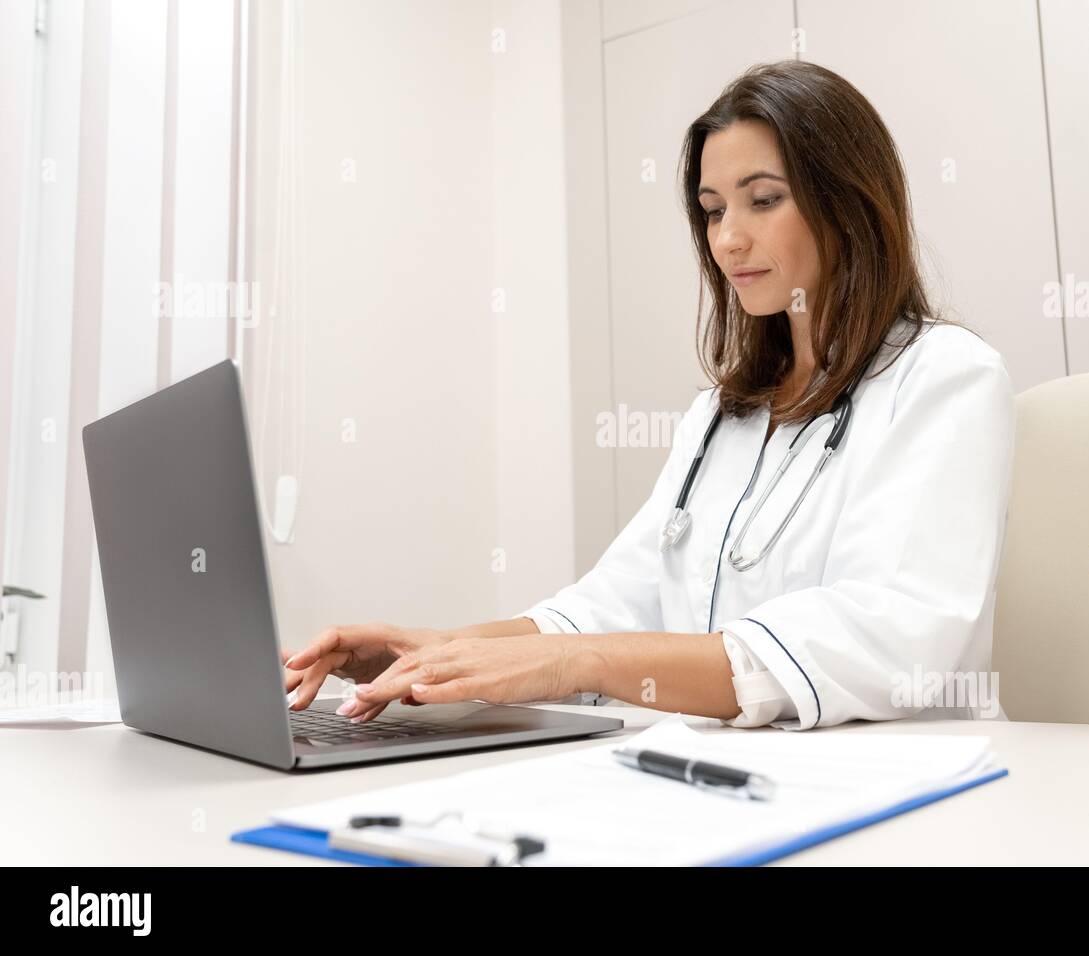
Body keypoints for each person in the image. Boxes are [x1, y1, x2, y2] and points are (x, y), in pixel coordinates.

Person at [284, 60, 1015, 731]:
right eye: (712, 208)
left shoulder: (945, 379)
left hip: (900, 790)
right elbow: (611, 607)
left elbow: (883, 639)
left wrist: (585, 663)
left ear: (850, 203)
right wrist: (437, 653)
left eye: (762, 200)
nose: (728, 238)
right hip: (730, 777)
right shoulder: (719, 420)